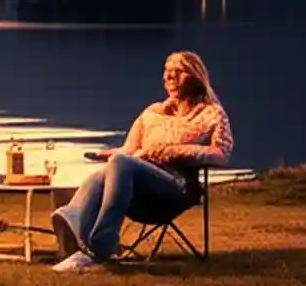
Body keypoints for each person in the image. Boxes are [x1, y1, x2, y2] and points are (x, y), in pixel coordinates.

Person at [50, 50, 234, 272]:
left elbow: (221, 153)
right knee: (111, 166)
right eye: (166, 71)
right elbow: (129, 149)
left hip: (175, 186)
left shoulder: (211, 113)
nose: (170, 77)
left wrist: (175, 151)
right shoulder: (153, 112)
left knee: (121, 163)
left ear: (195, 76)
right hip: (136, 188)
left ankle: (95, 243)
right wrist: (105, 154)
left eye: (178, 71)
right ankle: (79, 230)